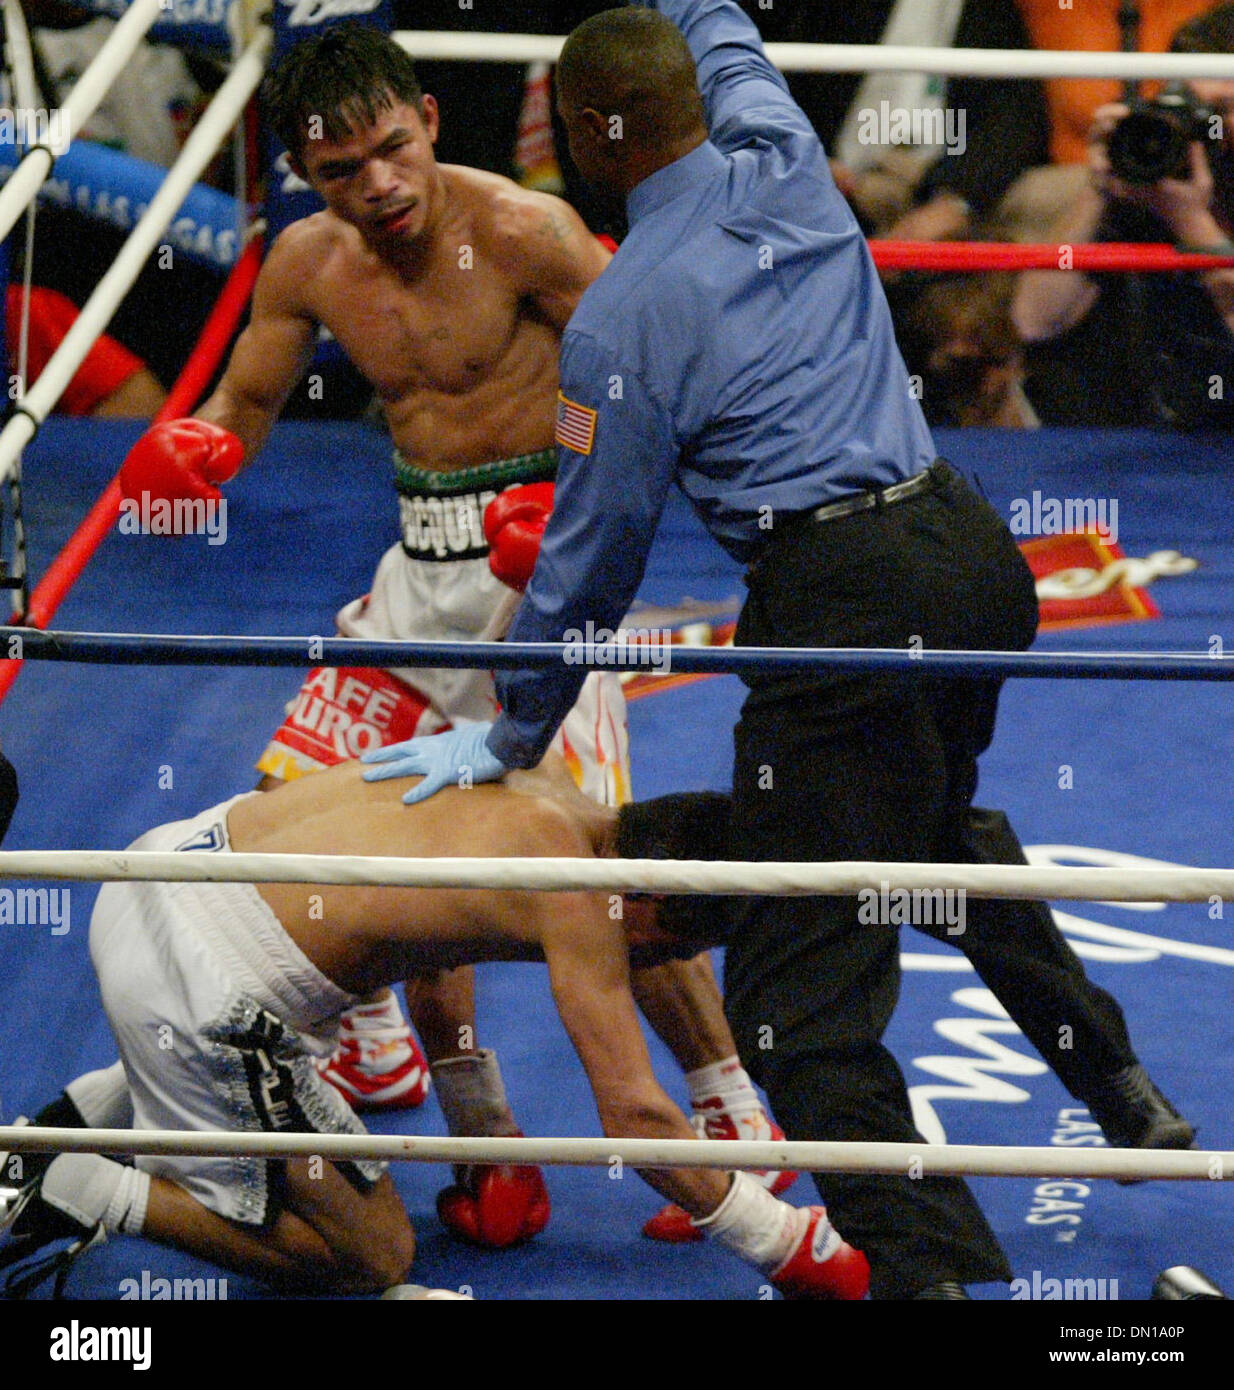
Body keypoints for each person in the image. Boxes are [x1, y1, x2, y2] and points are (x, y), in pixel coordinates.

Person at [363, 1, 1194, 1299]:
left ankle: (932, 1286)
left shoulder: (621, 316)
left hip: (842, 608)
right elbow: (726, 25)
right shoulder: (776, 149)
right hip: (968, 552)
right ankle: (1110, 1074)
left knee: (805, 1021)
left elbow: (592, 558)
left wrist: (510, 726)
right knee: (917, 832)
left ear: (587, 133)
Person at [114, 24, 792, 1249]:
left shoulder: (525, 231)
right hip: (412, 580)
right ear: (303, 178)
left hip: (544, 589)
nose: (375, 188)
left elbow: (657, 375)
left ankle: (734, 1113)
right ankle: (483, 1146)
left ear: (427, 117)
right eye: (338, 173)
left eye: (389, 150)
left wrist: (575, 496)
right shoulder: (309, 263)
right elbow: (247, 396)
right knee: (337, 837)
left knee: (592, 872)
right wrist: (205, 450)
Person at [0, 758, 868, 1301]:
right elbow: (637, 1121)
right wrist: (785, 1242)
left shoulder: (543, 782)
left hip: (157, 874)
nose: (645, 966)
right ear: (646, 895)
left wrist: (481, 1130)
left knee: (300, 1029)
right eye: (664, 949)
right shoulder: (585, 897)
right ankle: (75, 1183)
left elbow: (436, 952)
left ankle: (43, 1134)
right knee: (370, 1254)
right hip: (205, 991)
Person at [1012, 3, 1234, 427]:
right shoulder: (1152, 192)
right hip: (1149, 447)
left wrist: (1194, 226)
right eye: (1194, 108)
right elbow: (1034, 319)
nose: (1209, 130)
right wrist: (1103, 187)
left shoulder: (1181, 209)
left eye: (1223, 110)